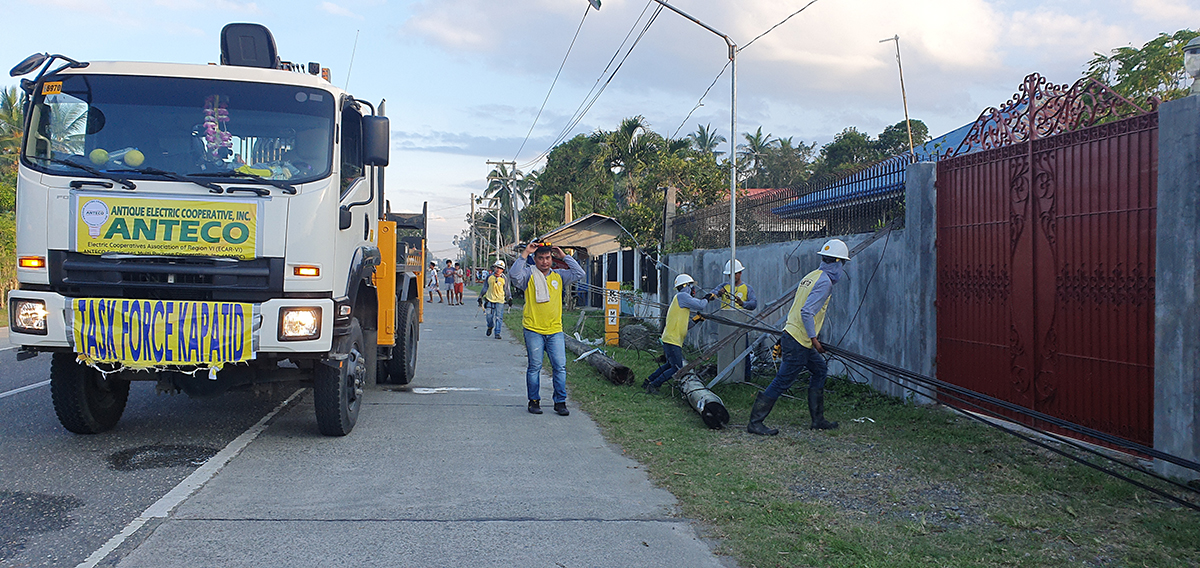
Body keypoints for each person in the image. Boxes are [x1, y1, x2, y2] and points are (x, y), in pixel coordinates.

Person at [747, 239, 850, 435]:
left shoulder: (811, 276)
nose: (841, 268)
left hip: (794, 336)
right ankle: (755, 422)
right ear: (837, 262)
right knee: (782, 380)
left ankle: (818, 420)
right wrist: (815, 340)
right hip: (799, 340)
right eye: (842, 263)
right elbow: (806, 312)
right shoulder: (825, 283)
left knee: (819, 370)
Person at [509, 243, 585, 416]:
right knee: (534, 367)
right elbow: (514, 275)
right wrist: (525, 253)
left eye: (548, 258)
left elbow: (580, 273)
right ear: (535, 260)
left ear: (552, 259)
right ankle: (534, 401)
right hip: (533, 329)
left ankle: (560, 402)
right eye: (541, 258)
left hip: (555, 330)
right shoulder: (528, 275)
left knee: (560, 367)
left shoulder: (559, 275)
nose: (545, 262)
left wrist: (564, 256)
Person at [643, 274, 711, 395]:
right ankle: (654, 385)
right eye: (691, 286)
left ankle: (649, 381)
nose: (693, 289)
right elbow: (701, 305)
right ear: (685, 286)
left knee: (670, 365)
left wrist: (696, 320)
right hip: (672, 340)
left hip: (670, 338)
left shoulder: (681, 300)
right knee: (677, 368)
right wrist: (708, 298)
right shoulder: (682, 296)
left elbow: (685, 326)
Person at [708, 259, 758, 382]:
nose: (732, 276)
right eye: (730, 274)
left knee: (743, 350)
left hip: (740, 325)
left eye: (734, 274)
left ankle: (745, 377)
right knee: (724, 350)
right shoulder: (723, 287)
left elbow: (753, 304)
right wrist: (718, 293)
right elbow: (711, 296)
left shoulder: (747, 288)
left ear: (740, 273)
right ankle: (724, 376)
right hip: (725, 325)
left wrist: (743, 303)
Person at [479, 259, 512, 339]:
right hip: (489, 299)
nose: (498, 269)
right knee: (489, 316)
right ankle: (490, 326)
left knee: (498, 317)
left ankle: (497, 332)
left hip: (500, 300)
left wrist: (509, 298)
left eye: (500, 268)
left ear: (502, 270)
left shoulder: (504, 278)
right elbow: (485, 287)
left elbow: (507, 289)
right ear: (494, 268)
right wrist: (480, 296)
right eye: (496, 267)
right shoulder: (489, 277)